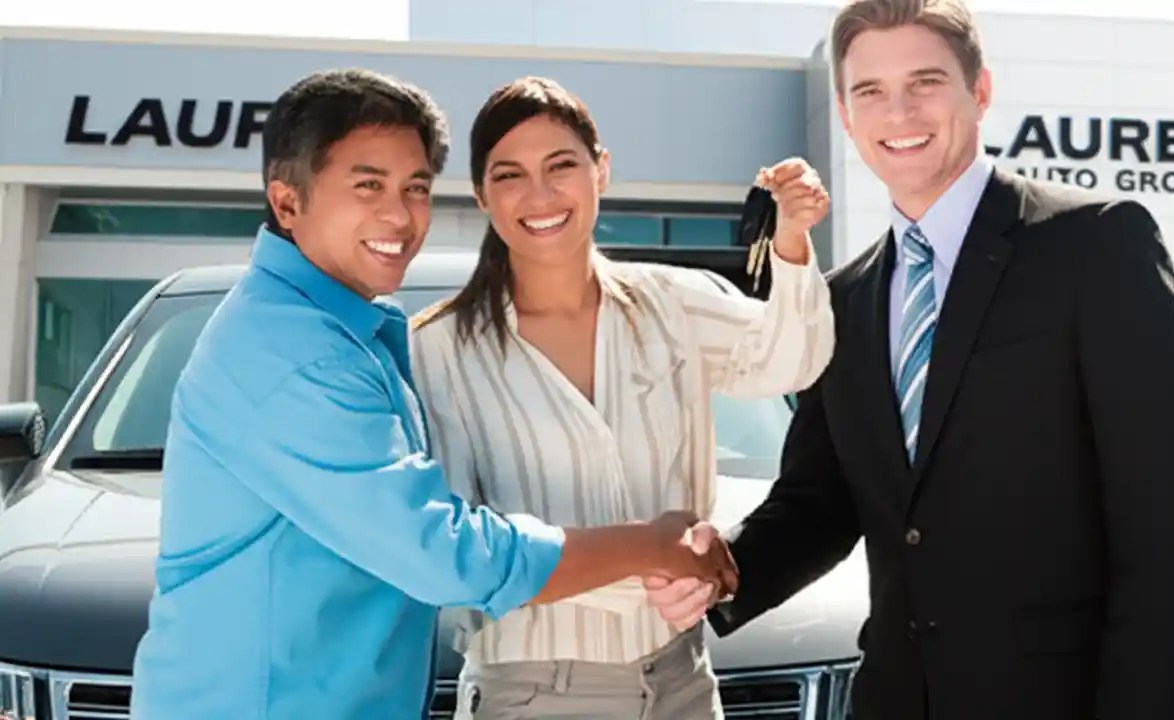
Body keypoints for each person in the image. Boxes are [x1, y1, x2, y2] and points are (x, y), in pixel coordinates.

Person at [646, 1, 1174, 718]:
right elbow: (817, 503)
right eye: (871, 91)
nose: (899, 112)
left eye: (925, 82)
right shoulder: (844, 301)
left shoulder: (1097, 248)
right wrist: (722, 568)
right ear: (845, 112)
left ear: (979, 91)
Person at [129, 67, 736, 720]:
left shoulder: (350, 330)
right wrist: (648, 545)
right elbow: (441, 552)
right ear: (287, 203)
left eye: (415, 188)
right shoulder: (290, 352)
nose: (399, 215)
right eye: (368, 186)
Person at [408, 75, 835, 720]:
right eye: (509, 175)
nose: (541, 195)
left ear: (600, 170)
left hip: (683, 682)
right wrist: (661, 565)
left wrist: (792, 240)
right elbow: (467, 553)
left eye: (562, 166)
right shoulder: (440, 349)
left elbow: (790, 359)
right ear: (480, 194)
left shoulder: (673, 302)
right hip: (533, 694)